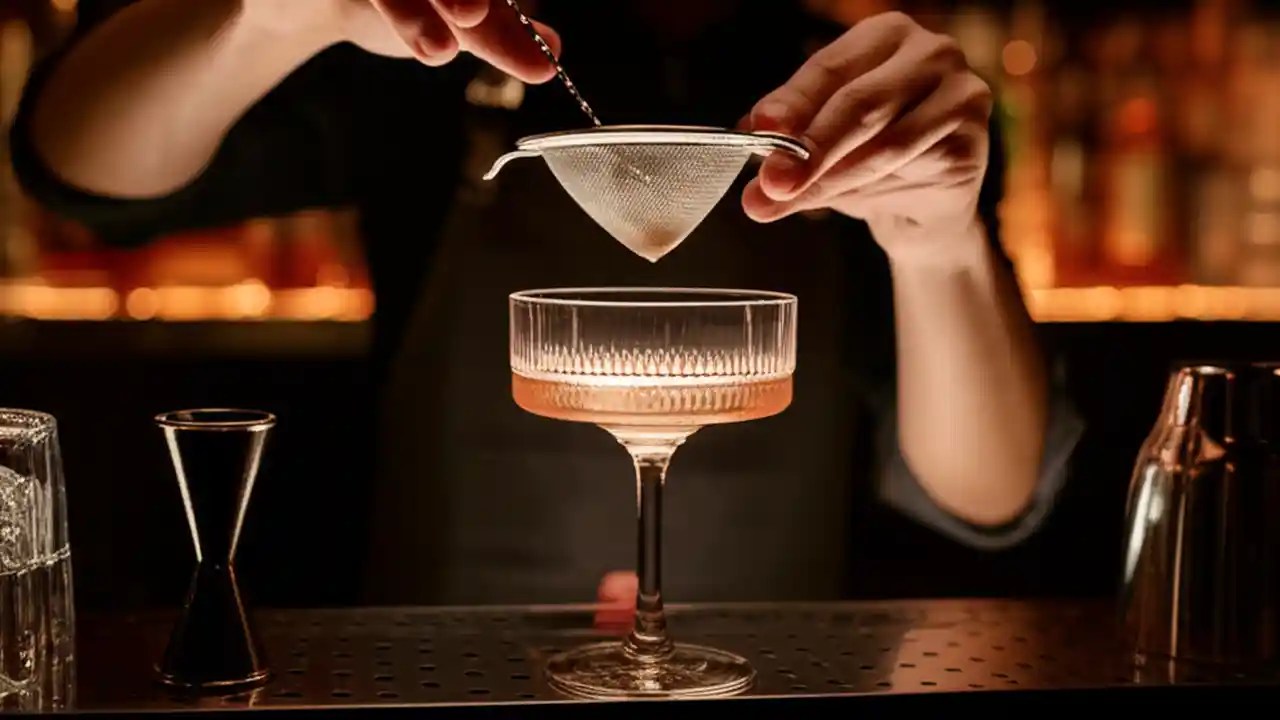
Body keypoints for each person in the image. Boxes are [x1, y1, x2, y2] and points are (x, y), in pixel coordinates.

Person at [10, 0, 1082, 605]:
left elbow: (985, 495)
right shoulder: (439, 46)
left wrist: (935, 245)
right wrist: (269, 22)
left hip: (773, 671)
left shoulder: (852, 87)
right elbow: (79, 169)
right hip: (436, 667)